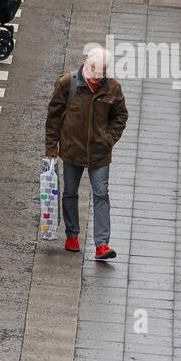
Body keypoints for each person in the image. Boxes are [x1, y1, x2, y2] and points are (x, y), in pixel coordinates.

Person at [44, 45, 128, 260]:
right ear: (87, 63)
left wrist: (108, 140)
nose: (97, 77)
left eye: (102, 72)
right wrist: (52, 147)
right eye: (94, 70)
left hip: (99, 153)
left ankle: (102, 245)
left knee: (101, 195)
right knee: (70, 193)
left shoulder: (113, 88)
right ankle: (72, 235)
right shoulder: (67, 83)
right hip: (72, 150)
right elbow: (54, 117)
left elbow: (120, 116)